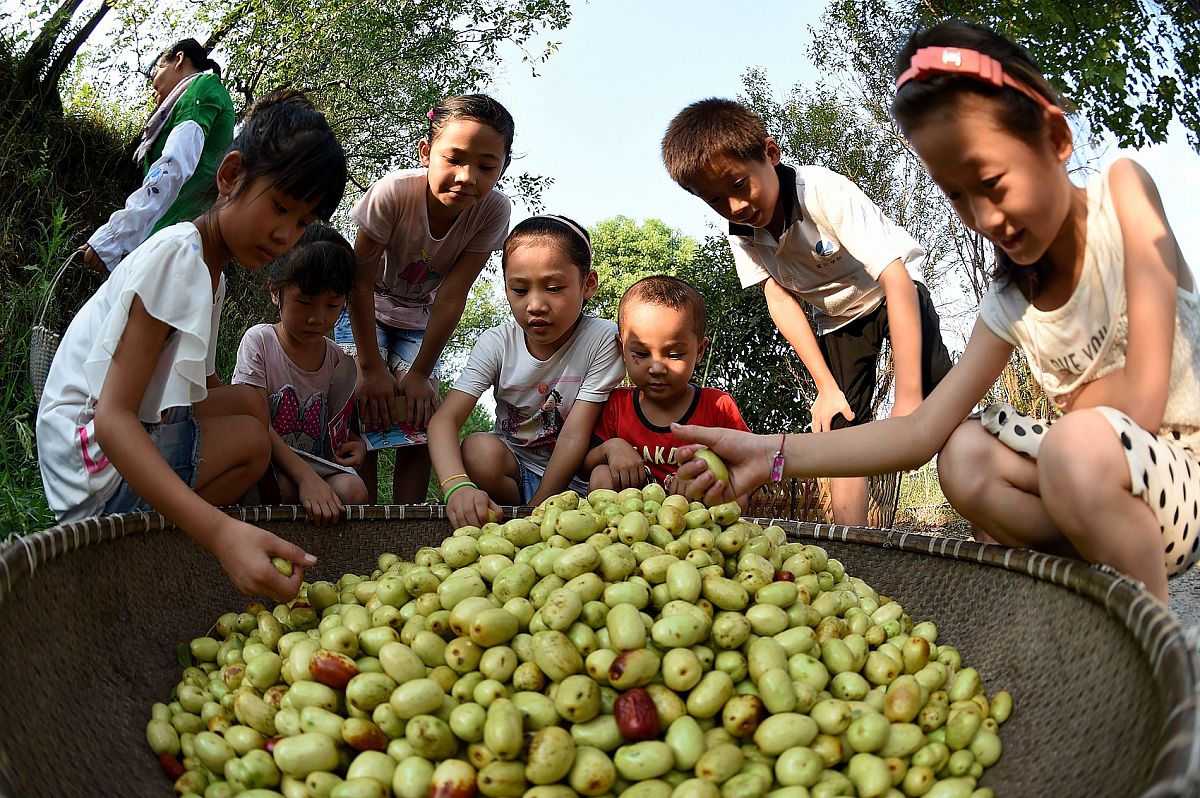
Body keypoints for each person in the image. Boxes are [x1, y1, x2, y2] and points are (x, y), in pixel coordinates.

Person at [673, 20, 1200, 604]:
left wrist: (1069, 421)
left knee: (1066, 445)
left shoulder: (1121, 194)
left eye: (993, 182)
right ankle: (1059, 593)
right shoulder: (1009, 300)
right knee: (964, 458)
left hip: (1182, 474)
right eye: (957, 195)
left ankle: (1150, 642)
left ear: (1055, 137)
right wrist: (770, 454)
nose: (984, 216)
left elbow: (1146, 398)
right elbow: (920, 433)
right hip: (1089, 482)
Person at [37, 91, 348, 601]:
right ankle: (141, 548)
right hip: (89, 470)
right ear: (229, 176)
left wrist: (298, 466)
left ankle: (160, 531)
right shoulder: (179, 257)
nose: (284, 236)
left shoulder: (211, 273)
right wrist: (221, 533)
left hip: (108, 446)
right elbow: (113, 418)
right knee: (248, 442)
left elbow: (204, 393)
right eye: (280, 207)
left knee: (250, 407)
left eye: (301, 224)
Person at [661, 98, 953, 527]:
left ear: (771, 154)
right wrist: (826, 386)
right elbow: (780, 299)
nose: (735, 207)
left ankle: (987, 533)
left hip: (893, 292)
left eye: (739, 185)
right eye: (717, 201)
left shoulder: (822, 193)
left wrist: (909, 397)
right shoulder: (743, 233)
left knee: (946, 411)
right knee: (838, 424)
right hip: (839, 317)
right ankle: (850, 549)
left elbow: (895, 278)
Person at [336, 94, 514, 503]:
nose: (467, 177)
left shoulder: (493, 211)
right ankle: (363, 514)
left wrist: (419, 373)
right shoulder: (393, 194)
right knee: (365, 400)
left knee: (420, 408)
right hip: (366, 308)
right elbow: (358, 283)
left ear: (501, 169)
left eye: (486, 167)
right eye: (454, 159)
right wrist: (369, 366)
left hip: (420, 315)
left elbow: (452, 295)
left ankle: (408, 519)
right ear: (425, 152)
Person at [428, 215, 625, 527]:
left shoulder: (602, 339)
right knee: (478, 451)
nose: (535, 304)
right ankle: (511, 515)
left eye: (554, 287)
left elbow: (575, 433)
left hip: (582, 476)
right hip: (517, 470)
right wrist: (457, 486)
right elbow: (444, 421)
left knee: (612, 474)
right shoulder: (497, 343)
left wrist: (538, 511)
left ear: (587, 285)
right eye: (519, 290)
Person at [231, 225, 369, 511]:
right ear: (275, 292)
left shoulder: (336, 358)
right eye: (304, 303)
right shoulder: (260, 341)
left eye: (332, 306)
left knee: (354, 490)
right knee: (283, 490)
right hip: (268, 466)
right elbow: (254, 421)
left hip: (317, 465)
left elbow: (335, 426)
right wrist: (305, 478)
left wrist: (356, 444)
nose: (317, 319)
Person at [585, 275, 751, 504]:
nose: (656, 368)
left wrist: (704, 471)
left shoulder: (718, 406)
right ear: (621, 348)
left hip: (699, 524)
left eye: (674, 355)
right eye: (641, 354)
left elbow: (751, 463)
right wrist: (611, 448)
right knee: (600, 474)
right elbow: (583, 467)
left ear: (700, 351)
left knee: (735, 491)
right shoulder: (616, 404)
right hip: (628, 523)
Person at [81, 38, 235, 273]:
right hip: (174, 238)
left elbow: (173, 165)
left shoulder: (202, 87)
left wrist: (115, 236)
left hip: (178, 238)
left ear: (179, 59)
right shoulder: (193, 98)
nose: (152, 87)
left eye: (155, 71)